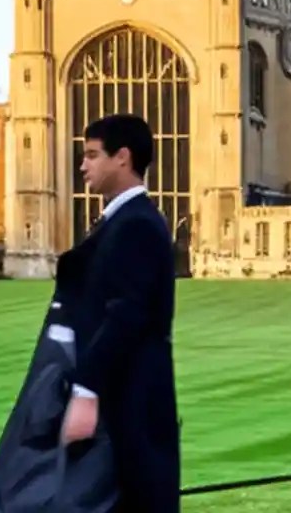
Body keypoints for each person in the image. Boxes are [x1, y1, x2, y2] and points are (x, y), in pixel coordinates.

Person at [58, 114, 180, 512]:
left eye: (92, 155)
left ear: (123, 158)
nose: (83, 165)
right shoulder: (122, 222)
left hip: (132, 398)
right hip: (126, 394)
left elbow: (126, 314)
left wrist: (86, 391)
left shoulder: (137, 225)